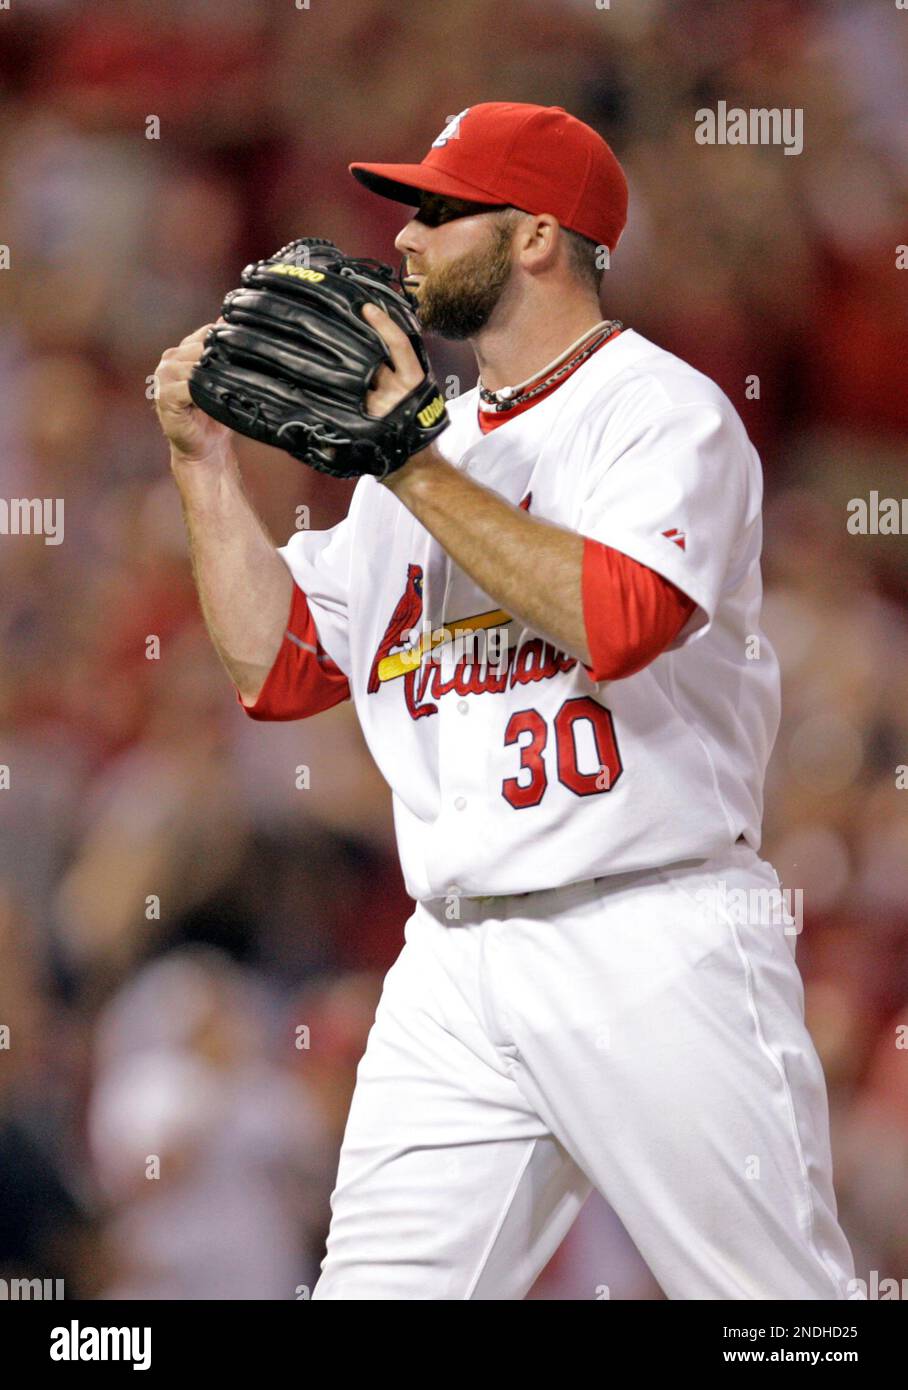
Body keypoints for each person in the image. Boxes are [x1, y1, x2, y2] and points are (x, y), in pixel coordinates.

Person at [153, 102, 860, 1300]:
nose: (407, 240)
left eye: (435, 209)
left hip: (647, 931)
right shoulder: (414, 453)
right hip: (454, 960)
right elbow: (278, 671)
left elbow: (619, 619)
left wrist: (410, 462)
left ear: (535, 235)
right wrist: (202, 469)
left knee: (779, 1314)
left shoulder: (656, 410)